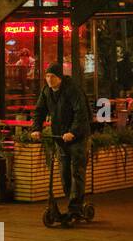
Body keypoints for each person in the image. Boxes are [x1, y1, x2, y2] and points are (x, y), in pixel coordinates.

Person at [31, 62, 91, 222]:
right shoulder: (46, 92)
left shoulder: (72, 90)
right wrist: (36, 128)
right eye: (47, 76)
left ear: (60, 78)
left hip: (77, 137)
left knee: (77, 171)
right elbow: (39, 111)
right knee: (64, 173)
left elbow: (81, 114)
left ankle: (75, 208)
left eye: (53, 76)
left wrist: (73, 132)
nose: (49, 79)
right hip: (60, 136)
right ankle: (73, 202)